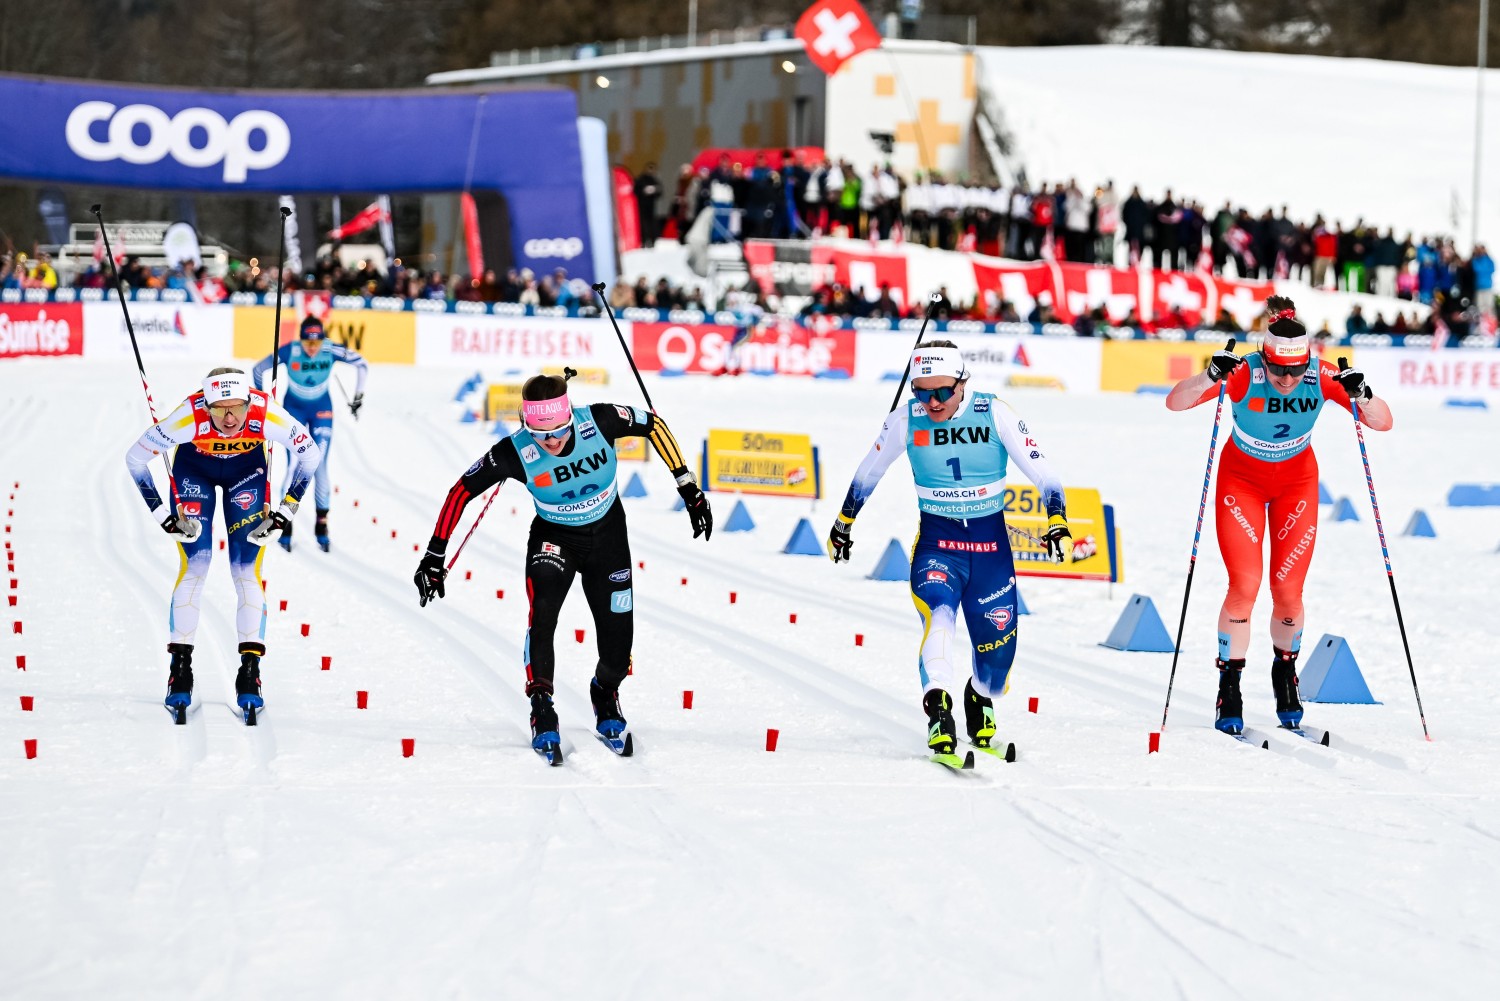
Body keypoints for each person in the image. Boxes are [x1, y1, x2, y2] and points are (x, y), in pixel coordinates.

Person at [413, 369, 712, 761]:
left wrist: (688, 487)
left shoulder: (600, 420)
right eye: (541, 435)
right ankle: (541, 706)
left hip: (608, 539)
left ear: (570, 416)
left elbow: (654, 425)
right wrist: (434, 555)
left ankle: (605, 692)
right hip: (554, 540)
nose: (551, 441)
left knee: (618, 649)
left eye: (559, 430)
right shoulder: (515, 450)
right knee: (543, 614)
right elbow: (461, 491)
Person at [827, 341, 1075, 765]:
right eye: (922, 392)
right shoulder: (906, 419)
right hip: (937, 548)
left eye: (942, 391)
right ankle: (939, 712)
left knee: (996, 670)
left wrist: (1057, 520)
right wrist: (844, 521)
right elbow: (870, 470)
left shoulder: (994, 412)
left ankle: (978, 697)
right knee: (938, 617)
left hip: (991, 553)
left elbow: (1045, 473)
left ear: (963, 382)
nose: (933, 402)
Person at [1165, 296, 1393, 735]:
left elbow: (1383, 422)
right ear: (1264, 359)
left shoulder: (1321, 375)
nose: (1288, 381)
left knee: (1288, 593)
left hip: (1296, 485)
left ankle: (1285, 672)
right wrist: (1208, 376)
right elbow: (1176, 402)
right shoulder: (1245, 373)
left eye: (1296, 371)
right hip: (1242, 483)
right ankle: (1229, 686)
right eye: (1278, 371)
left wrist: (1363, 395)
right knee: (1244, 585)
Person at [125, 367, 322, 722]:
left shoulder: (265, 412)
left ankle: (250, 673)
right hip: (193, 473)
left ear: (249, 402)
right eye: (219, 411)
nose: (230, 420)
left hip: (246, 475)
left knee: (245, 569)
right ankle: (180, 671)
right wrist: (162, 516)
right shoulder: (188, 417)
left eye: (237, 409)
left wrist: (285, 511)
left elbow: (311, 455)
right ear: (207, 406)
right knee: (196, 565)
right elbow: (135, 459)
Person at [252, 315, 368, 552]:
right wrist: (263, 404)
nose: (313, 348)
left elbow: (362, 364)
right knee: (295, 465)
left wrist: (358, 397)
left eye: (317, 342)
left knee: (320, 465)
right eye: (308, 343)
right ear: (301, 340)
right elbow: (259, 369)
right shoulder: (290, 350)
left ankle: (321, 524)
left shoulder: (330, 349)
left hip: (321, 411)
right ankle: (285, 523)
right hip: (293, 410)